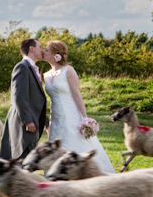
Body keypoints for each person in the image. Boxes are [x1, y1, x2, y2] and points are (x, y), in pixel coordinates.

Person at [42, 40, 116, 173]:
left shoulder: (68, 71)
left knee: (78, 143)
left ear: (55, 54)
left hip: (71, 115)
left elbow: (77, 95)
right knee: (57, 145)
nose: (43, 52)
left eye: (46, 50)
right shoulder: (46, 75)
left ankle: (93, 173)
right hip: (56, 117)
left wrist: (85, 118)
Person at [0, 39, 48, 160]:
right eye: (40, 47)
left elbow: (34, 98)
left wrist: (45, 121)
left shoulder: (31, 68)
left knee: (26, 157)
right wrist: (27, 121)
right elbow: (19, 96)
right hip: (23, 121)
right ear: (32, 49)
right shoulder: (22, 67)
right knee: (21, 157)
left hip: (31, 119)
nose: (42, 50)